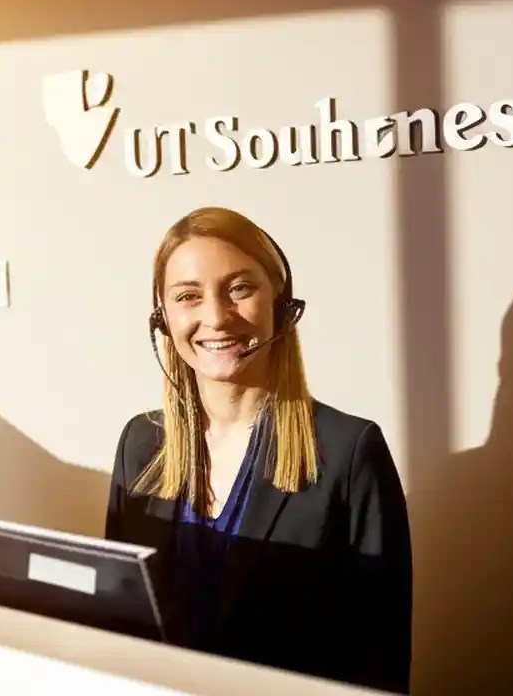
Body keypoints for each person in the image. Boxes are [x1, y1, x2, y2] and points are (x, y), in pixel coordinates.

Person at [105, 206, 412, 693]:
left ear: (281, 305)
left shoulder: (350, 452)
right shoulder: (140, 444)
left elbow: (380, 660)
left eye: (239, 288)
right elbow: (118, 625)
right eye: (188, 296)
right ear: (162, 318)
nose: (215, 317)